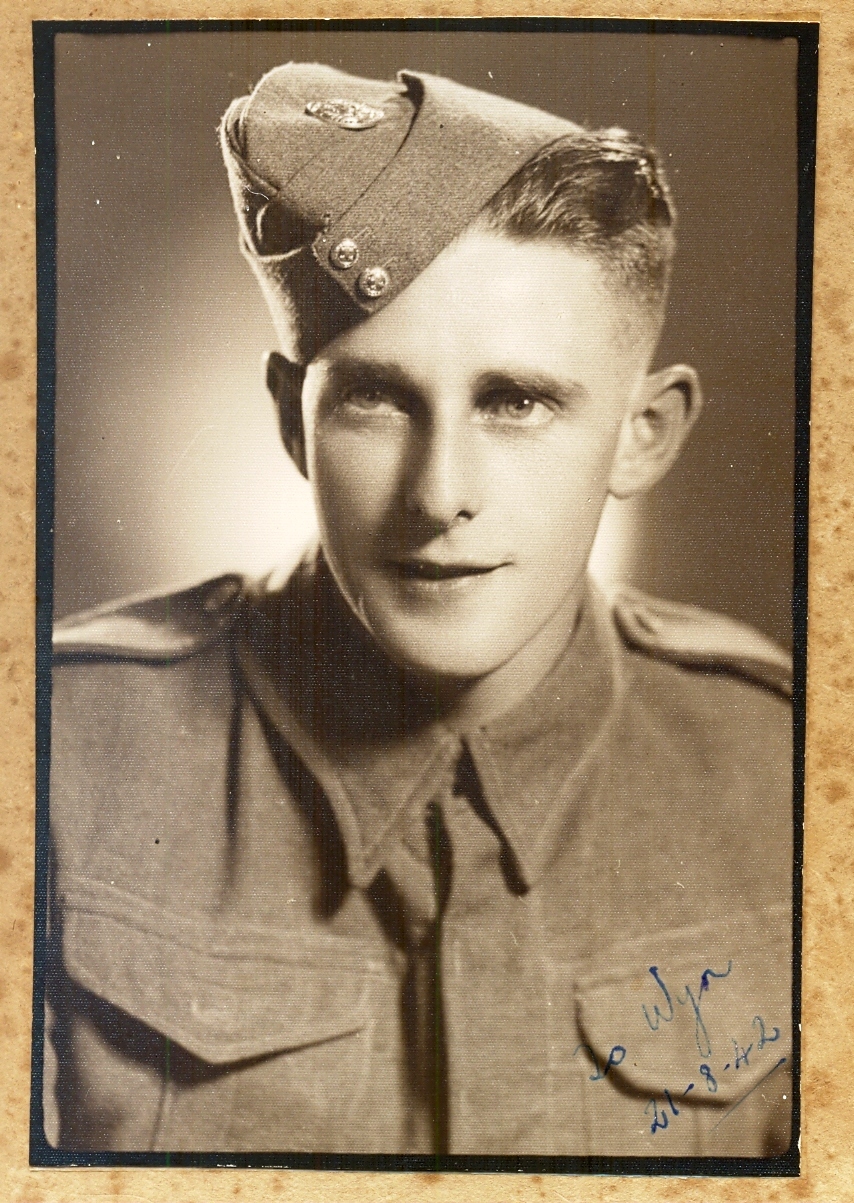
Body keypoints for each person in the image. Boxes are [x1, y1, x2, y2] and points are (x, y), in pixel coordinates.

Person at [44, 63, 794, 1158]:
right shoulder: (55, 758)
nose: (439, 493)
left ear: (645, 433)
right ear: (293, 426)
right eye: (376, 398)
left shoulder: (789, 764)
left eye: (516, 401)